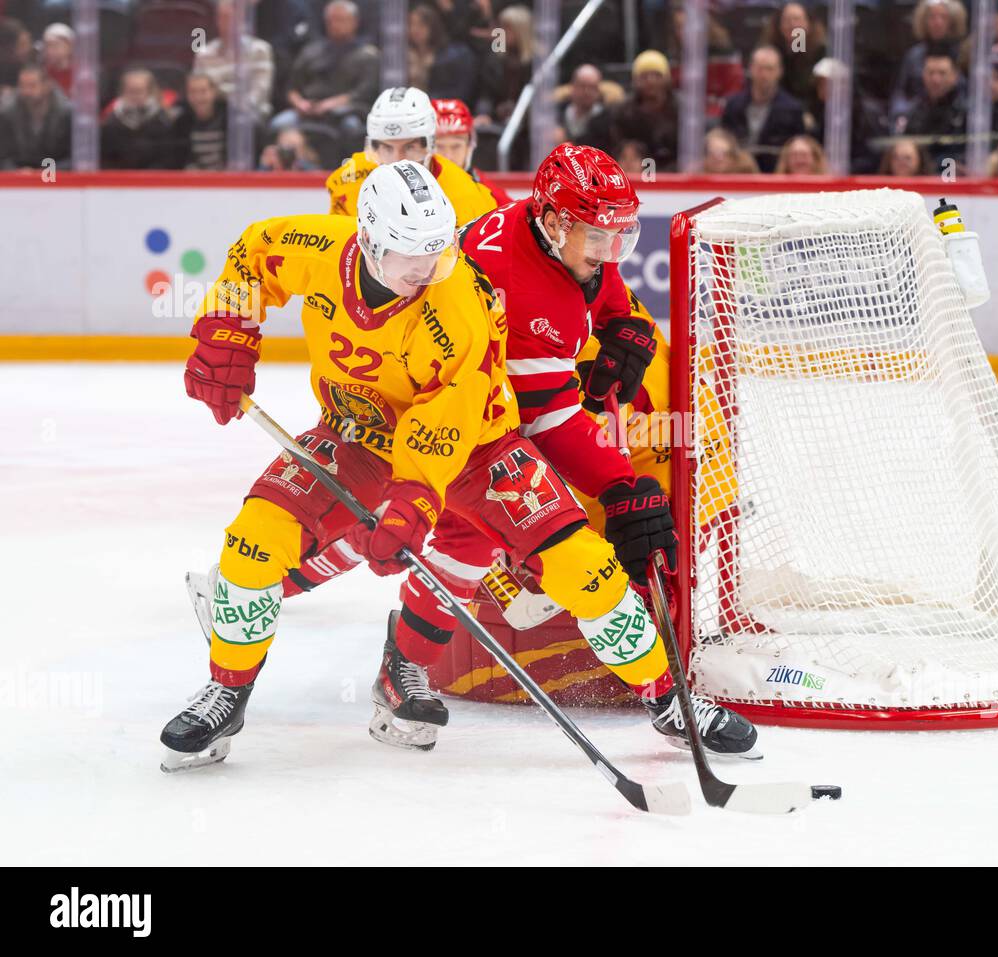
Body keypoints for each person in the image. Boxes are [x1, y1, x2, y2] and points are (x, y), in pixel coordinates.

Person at [163, 157, 759, 767]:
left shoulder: (458, 304)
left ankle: (667, 700)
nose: (427, 271)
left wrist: (413, 497)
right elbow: (252, 256)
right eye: (409, 257)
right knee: (253, 542)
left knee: (586, 569)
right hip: (356, 433)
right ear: (367, 238)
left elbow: (447, 419)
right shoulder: (316, 245)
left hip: (479, 448)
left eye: (437, 252)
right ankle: (225, 692)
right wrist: (226, 331)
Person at [325, 87, 494, 227]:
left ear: (430, 145)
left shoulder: (469, 198)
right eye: (386, 147)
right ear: (373, 146)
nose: (397, 160)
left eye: (410, 147)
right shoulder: (349, 178)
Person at [273, 0, 380, 145]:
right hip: (308, 111)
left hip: (346, 112)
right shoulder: (310, 51)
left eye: (341, 20)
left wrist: (330, 104)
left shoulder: (368, 55)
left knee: (352, 127)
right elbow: (292, 87)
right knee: (279, 124)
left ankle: (351, 167)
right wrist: (300, 103)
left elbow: (365, 92)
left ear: (355, 22)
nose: (335, 25)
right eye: (331, 20)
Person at [719, 45, 807, 174]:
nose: (764, 75)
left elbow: (797, 145)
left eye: (769, 69)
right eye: (760, 68)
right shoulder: (733, 105)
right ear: (751, 69)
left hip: (776, 175)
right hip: (736, 174)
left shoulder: (793, 109)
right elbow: (724, 139)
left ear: (779, 71)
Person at [193, 0, 276, 121]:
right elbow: (199, 90)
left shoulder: (260, 51)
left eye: (231, 18)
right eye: (222, 18)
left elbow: (259, 94)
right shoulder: (204, 54)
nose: (225, 24)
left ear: (241, 20)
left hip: (251, 116)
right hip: (214, 115)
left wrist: (230, 103)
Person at [431, 96, 510, 205]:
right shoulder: (405, 189)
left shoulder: (490, 193)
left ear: (470, 147)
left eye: (456, 146)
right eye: (439, 146)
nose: (448, 156)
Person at [902, 48, 968, 173]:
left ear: (955, 76)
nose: (935, 79)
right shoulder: (915, 110)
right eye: (931, 73)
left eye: (942, 73)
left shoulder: (966, 111)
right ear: (923, 75)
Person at [100, 68, 179, 170]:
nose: (135, 96)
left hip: (153, 180)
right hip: (119, 181)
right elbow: (106, 158)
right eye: (131, 91)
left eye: (139, 91)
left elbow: (169, 158)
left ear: (150, 92)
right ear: (122, 92)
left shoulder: (163, 120)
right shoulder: (112, 121)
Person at [0, 64, 71, 170]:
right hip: (19, 177)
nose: (26, 92)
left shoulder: (66, 114)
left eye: (32, 86)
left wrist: (44, 171)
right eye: (22, 86)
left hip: (57, 176)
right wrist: (17, 171)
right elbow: (3, 156)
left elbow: (73, 157)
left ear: (47, 86)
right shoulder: (7, 114)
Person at [174, 72, 228, 170]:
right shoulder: (181, 123)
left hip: (227, 181)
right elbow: (177, 160)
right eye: (193, 92)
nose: (198, 98)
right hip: (195, 182)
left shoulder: (230, 119)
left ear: (213, 92)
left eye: (203, 91)